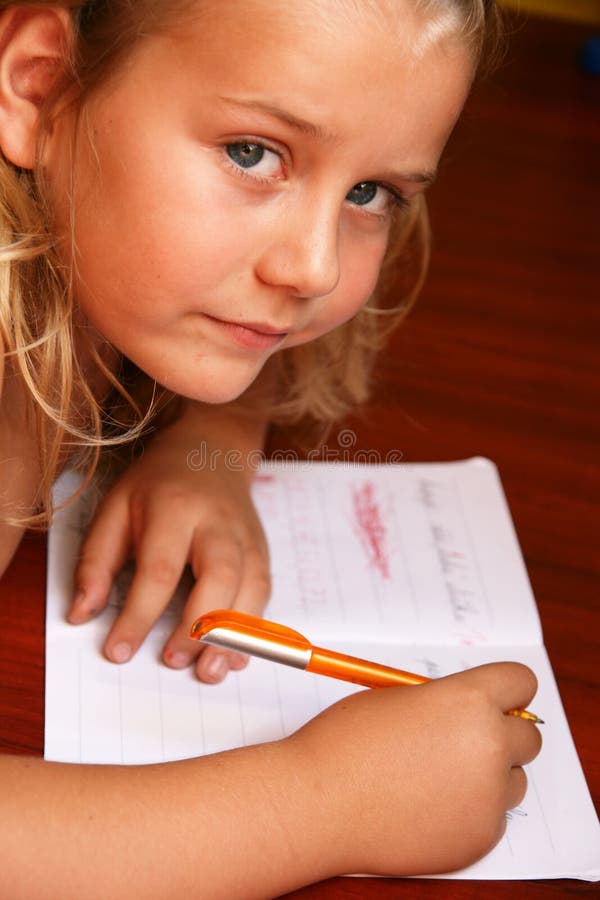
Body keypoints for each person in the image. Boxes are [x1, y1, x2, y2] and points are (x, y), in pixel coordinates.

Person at [0, 1, 542, 895]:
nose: (313, 269)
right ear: (40, 82)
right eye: (254, 153)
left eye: (371, 194)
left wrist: (209, 440)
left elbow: (248, 355)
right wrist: (320, 804)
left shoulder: (107, 282)